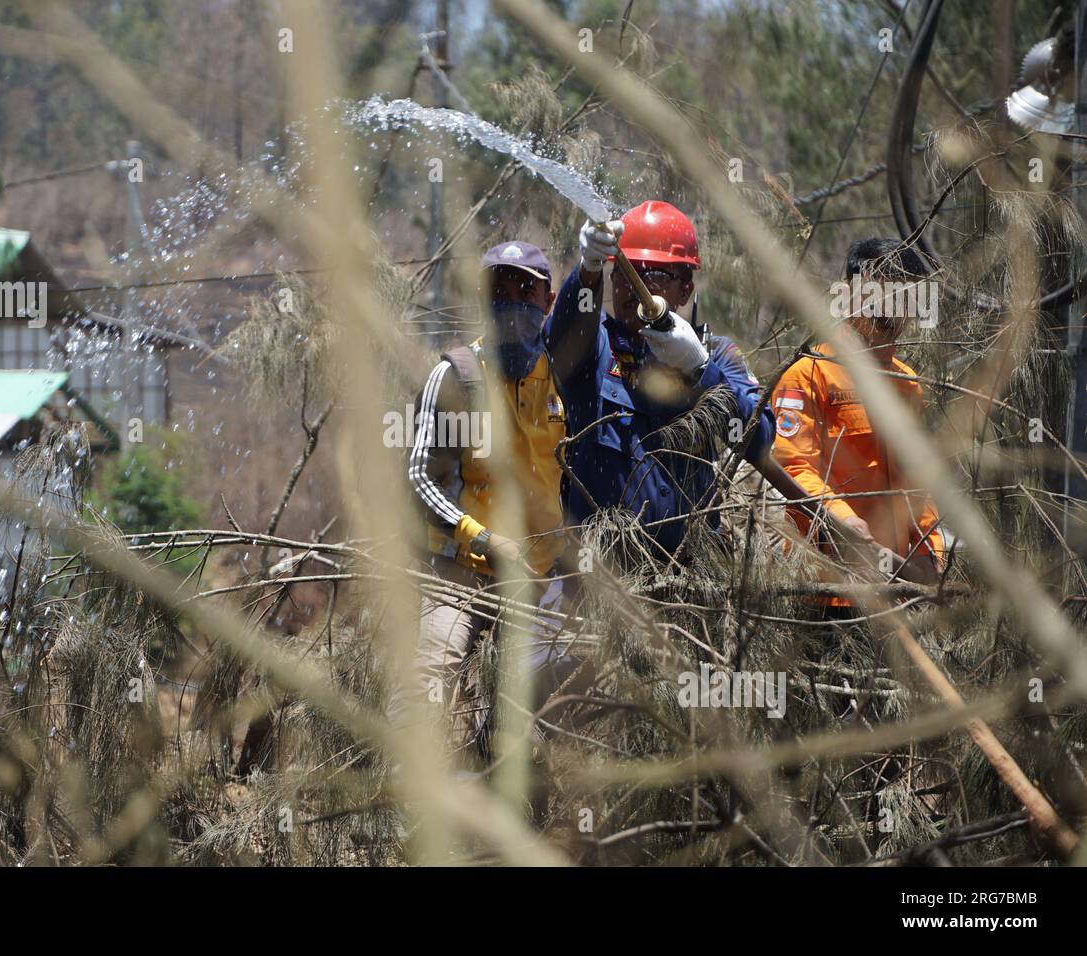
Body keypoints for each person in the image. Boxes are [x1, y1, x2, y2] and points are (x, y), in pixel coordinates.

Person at [389, 240, 579, 749]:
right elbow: (419, 477)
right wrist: (481, 538)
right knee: (426, 692)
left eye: (526, 290)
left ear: (549, 300)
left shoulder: (566, 380)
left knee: (537, 724)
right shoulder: (458, 377)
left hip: (541, 580)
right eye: (499, 289)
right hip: (461, 574)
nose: (513, 301)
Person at [545, 200, 775, 560]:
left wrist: (700, 371)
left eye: (654, 275)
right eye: (625, 272)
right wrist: (587, 271)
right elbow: (562, 340)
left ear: (685, 289)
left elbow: (756, 440)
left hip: (689, 579)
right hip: (602, 578)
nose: (635, 287)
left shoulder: (716, 355)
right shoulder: (596, 345)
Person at [770, 237, 945, 603]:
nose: (893, 313)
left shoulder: (907, 385)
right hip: (820, 586)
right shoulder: (809, 374)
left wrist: (931, 549)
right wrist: (841, 520)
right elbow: (793, 467)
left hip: (892, 589)